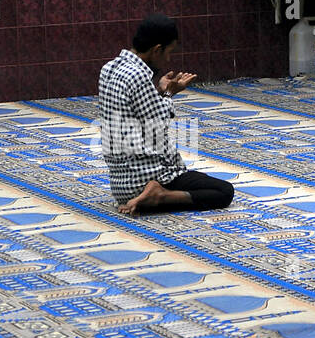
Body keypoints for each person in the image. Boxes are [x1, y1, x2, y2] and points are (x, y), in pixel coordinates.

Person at [97, 13, 235, 216]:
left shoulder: (108, 69)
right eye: (168, 52)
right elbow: (157, 122)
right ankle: (159, 195)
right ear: (157, 50)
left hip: (120, 184)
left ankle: (156, 194)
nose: (168, 59)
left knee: (198, 179)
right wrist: (170, 93)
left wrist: (159, 91)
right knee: (223, 191)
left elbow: (137, 110)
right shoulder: (138, 75)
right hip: (147, 177)